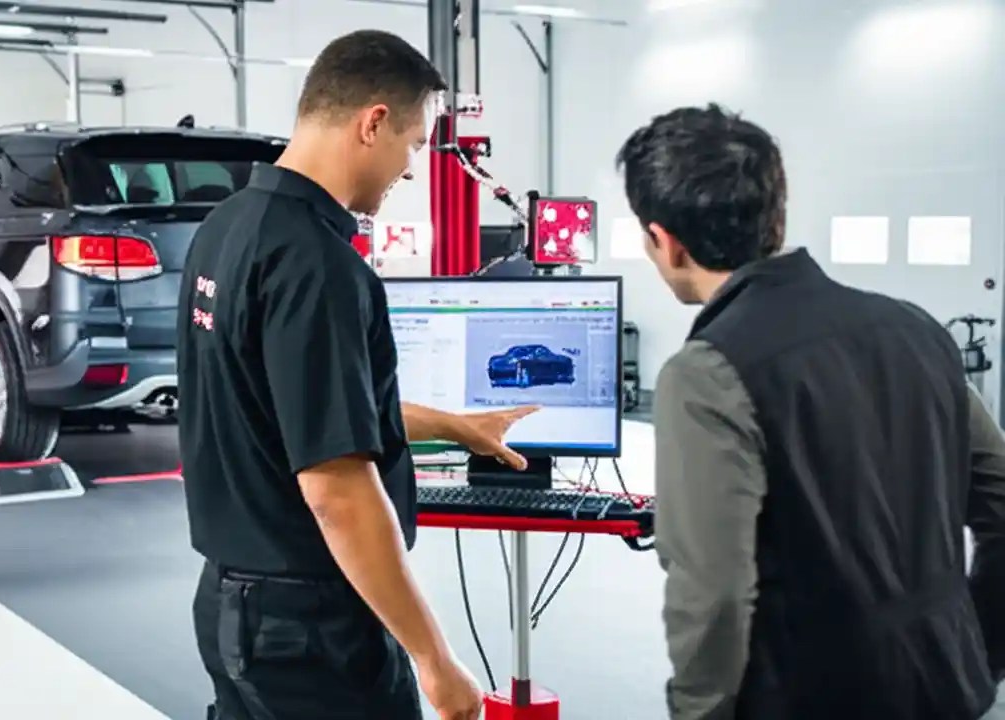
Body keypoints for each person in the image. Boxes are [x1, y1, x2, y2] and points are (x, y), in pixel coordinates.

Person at [177, 29, 537, 720]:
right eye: (414, 145)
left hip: (230, 609)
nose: (411, 170)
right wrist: (435, 661)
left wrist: (455, 426)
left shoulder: (225, 228)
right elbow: (337, 491)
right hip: (312, 631)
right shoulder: (318, 263)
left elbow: (292, 409)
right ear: (373, 122)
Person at [615, 103, 1005, 720]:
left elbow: (713, 592)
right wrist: (978, 652)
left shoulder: (706, 372)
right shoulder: (916, 330)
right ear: (775, 214)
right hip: (947, 691)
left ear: (665, 242)